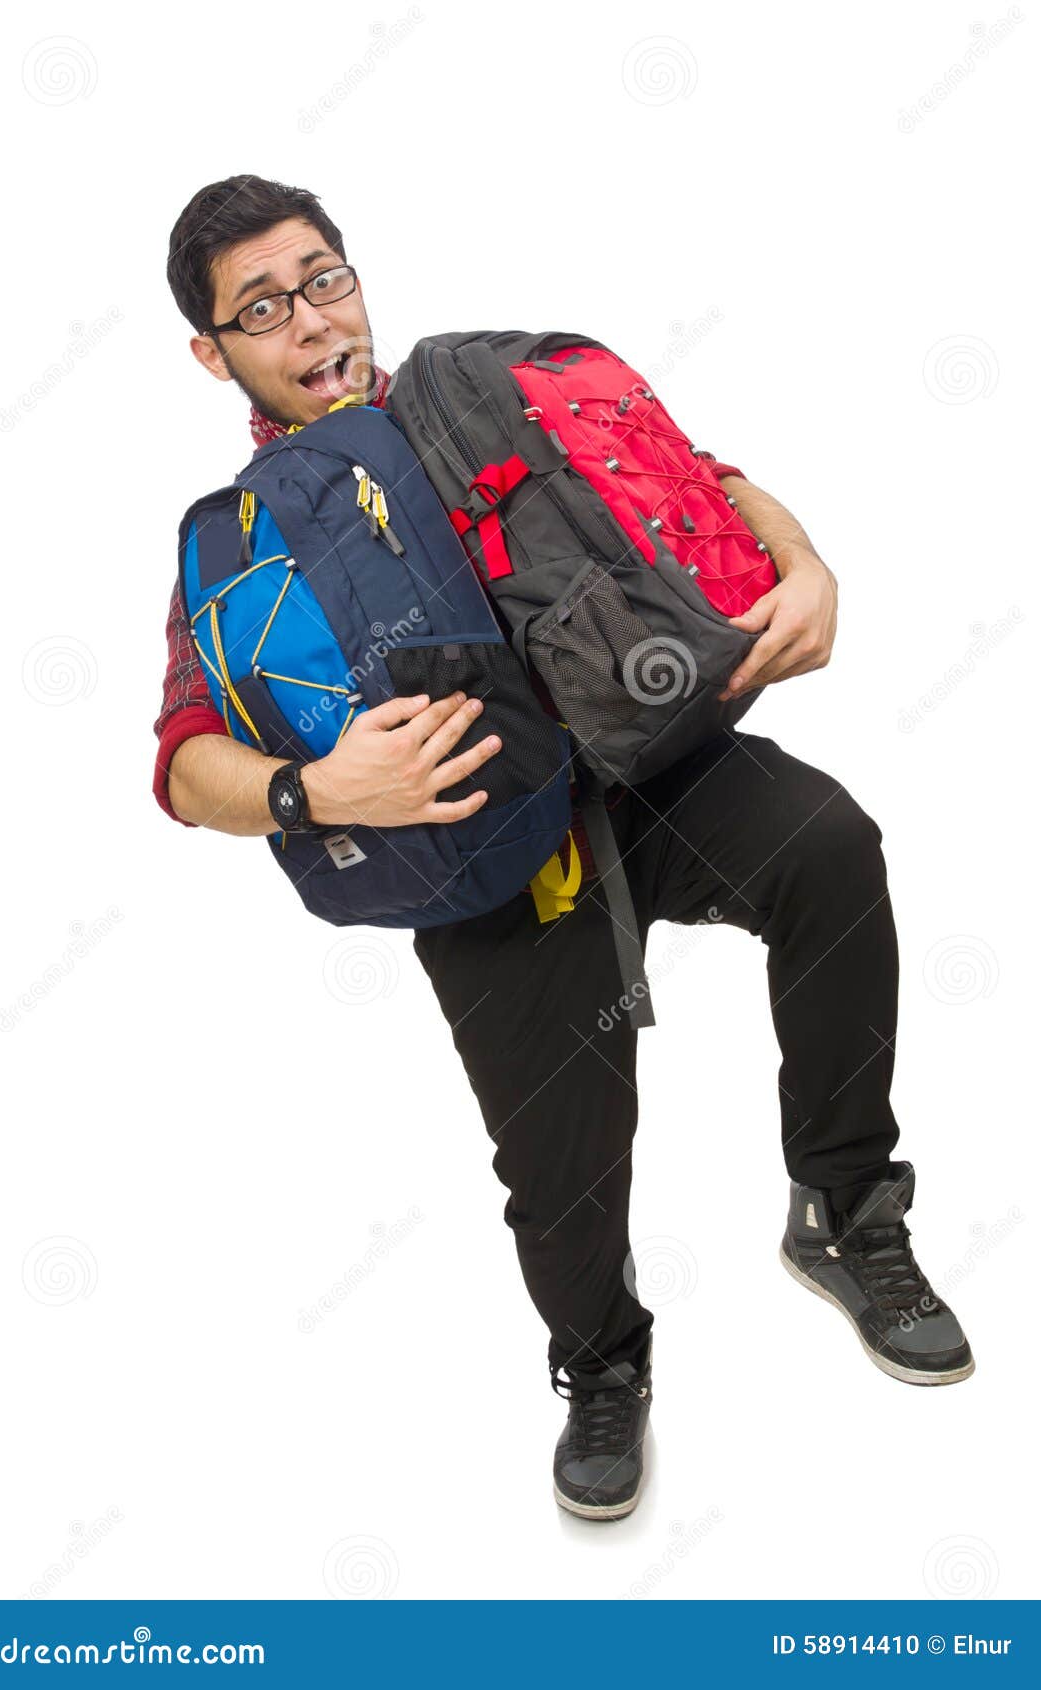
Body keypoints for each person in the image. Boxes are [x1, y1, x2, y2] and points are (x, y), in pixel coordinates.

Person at [155, 174, 975, 1524]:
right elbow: (187, 760)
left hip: (656, 769)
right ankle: (602, 1361)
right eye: (261, 309)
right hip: (479, 851)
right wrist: (316, 788)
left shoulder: (477, 386)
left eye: (322, 279)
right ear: (216, 352)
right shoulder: (250, 534)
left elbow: (698, 478)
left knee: (829, 851)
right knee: (560, 1171)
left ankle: (845, 1209)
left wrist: (807, 565)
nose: (309, 323)